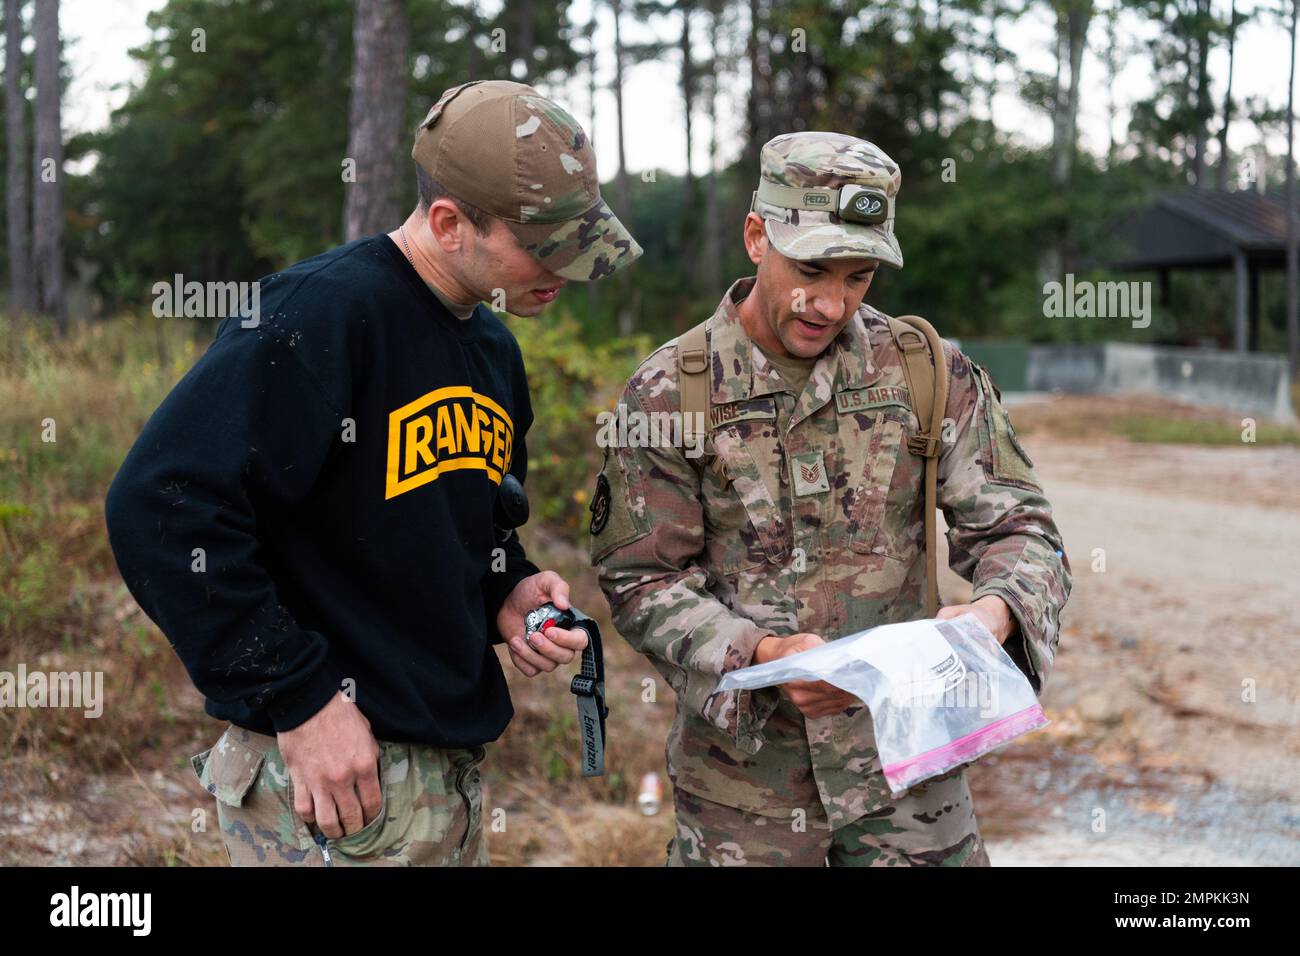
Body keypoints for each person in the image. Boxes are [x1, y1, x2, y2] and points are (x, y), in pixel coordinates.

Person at [105, 80, 641, 867]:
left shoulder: (491, 348)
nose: (570, 270)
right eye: (546, 247)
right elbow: (162, 506)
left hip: (445, 781)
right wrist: (300, 699)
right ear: (451, 222)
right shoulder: (318, 315)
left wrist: (508, 589)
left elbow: (459, 525)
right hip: (331, 786)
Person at [588, 130, 1070, 866]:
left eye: (859, 277)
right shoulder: (669, 393)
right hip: (743, 799)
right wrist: (764, 655)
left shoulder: (925, 373)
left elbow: (1022, 528)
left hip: (912, 788)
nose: (831, 302)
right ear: (757, 236)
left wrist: (993, 613)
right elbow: (640, 579)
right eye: (811, 269)